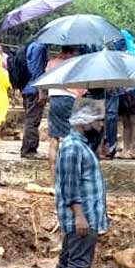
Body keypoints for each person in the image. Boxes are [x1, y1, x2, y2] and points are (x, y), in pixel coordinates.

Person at [54, 102, 110, 268]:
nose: (101, 125)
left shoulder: (82, 146)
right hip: (82, 218)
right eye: (98, 121)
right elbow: (70, 186)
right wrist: (80, 215)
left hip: (86, 216)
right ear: (85, 122)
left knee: (68, 261)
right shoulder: (72, 147)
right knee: (77, 263)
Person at [45, 46, 83, 174]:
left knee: (54, 138)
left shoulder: (51, 63)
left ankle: (53, 180)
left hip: (54, 99)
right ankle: (70, 176)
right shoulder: (74, 64)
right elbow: (82, 88)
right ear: (72, 52)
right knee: (70, 138)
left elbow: (44, 80)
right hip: (69, 100)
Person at [17, 42, 46, 158]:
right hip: (34, 89)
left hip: (26, 88)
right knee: (33, 120)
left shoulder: (29, 45)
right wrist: (41, 90)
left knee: (30, 119)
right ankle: (29, 150)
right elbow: (37, 70)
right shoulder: (40, 48)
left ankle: (27, 148)